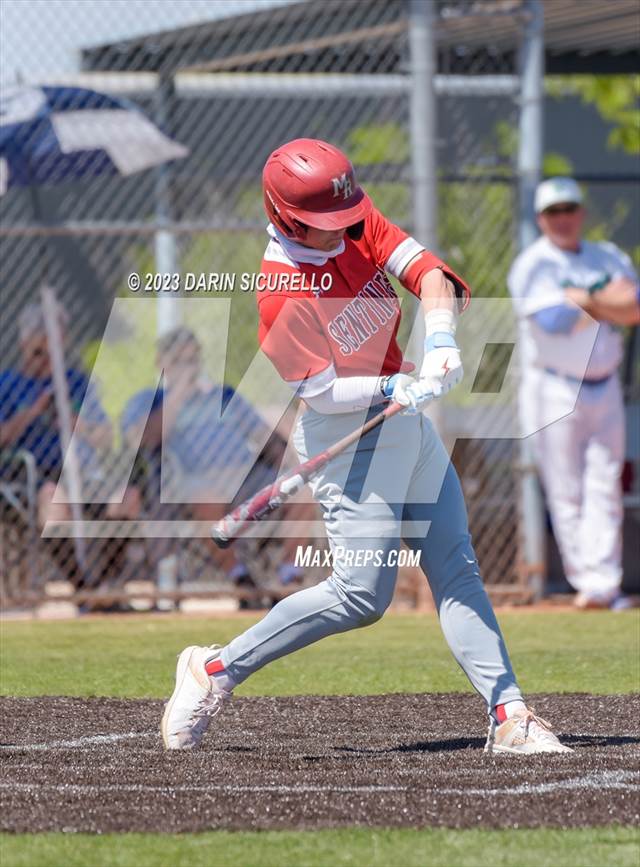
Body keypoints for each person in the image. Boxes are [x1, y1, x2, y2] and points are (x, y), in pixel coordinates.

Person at [161, 138, 572, 755]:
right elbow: (322, 393)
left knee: (455, 566)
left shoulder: (349, 215)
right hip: (345, 436)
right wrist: (391, 383)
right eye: (326, 227)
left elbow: (429, 274)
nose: (344, 233)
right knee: (361, 596)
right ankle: (212, 671)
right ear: (285, 216)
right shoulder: (280, 291)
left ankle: (509, 716)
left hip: (404, 423)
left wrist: (439, 342)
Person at [508, 177, 640, 610]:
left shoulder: (608, 254)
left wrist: (581, 298)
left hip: (604, 383)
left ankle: (605, 583)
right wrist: (605, 300)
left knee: (606, 483)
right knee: (566, 489)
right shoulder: (533, 264)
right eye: (553, 212)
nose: (562, 218)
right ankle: (591, 582)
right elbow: (552, 322)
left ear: (581, 212)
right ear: (541, 218)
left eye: (569, 209)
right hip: (554, 385)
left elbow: (633, 308)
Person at [121, 326, 314, 594]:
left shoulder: (222, 395)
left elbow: (263, 436)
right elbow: (143, 440)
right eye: (179, 360)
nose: (188, 367)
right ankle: (240, 577)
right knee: (206, 498)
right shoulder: (149, 400)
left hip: (245, 476)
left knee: (302, 492)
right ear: (161, 363)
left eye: (192, 360)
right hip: (195, 482)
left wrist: (290, 466)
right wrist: (178, 393)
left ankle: (289, 575)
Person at [0, 300, 138, 593]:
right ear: (25, 345)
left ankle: (105, 586)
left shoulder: (76, 382)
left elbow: (104, 437)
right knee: (54, 500)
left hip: (83, 471)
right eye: (39, 352)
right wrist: (33, 412)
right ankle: (83, 588)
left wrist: (72, 420)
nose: (46, 361)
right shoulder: (8, 383)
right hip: (34, 473)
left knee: (126, 497)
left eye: (54, 352)